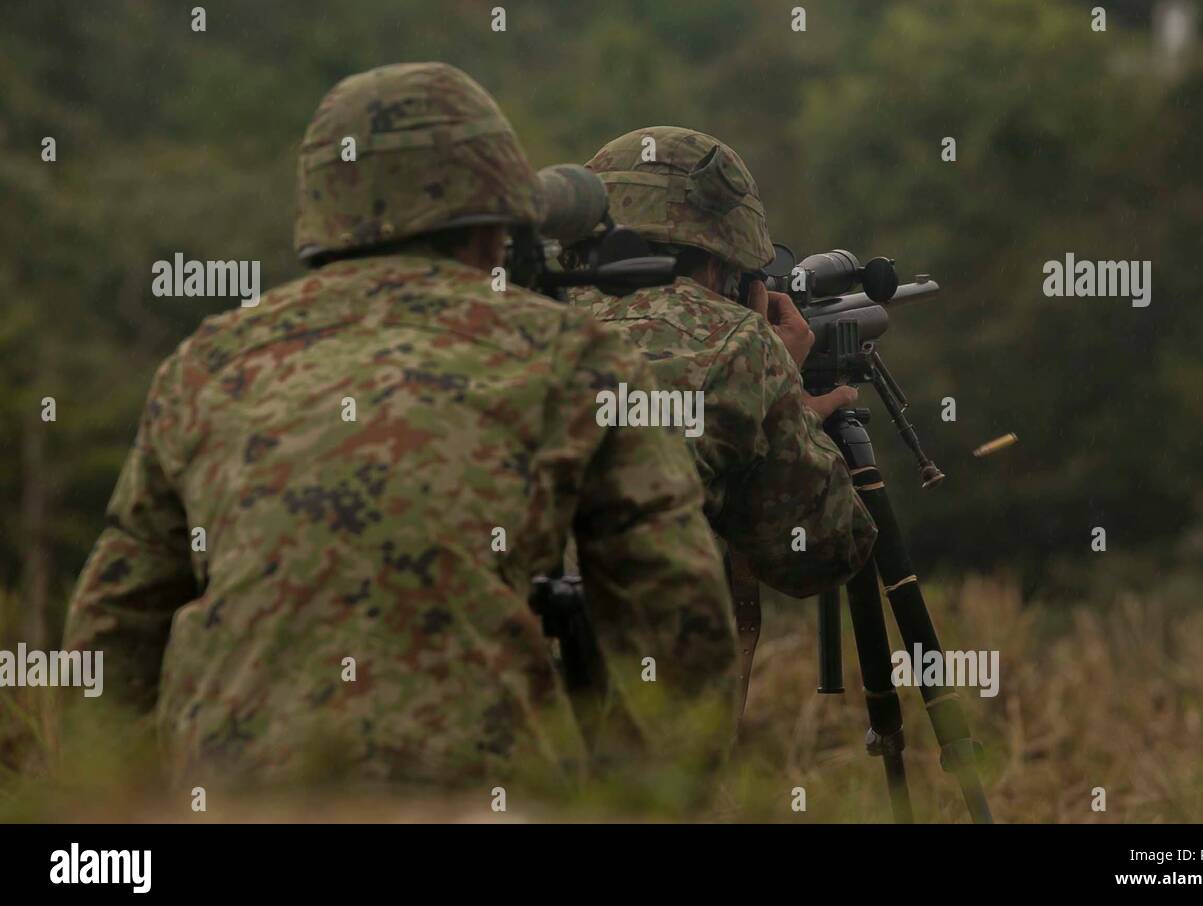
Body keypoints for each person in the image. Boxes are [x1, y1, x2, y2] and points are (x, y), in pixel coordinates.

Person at [63, 66, 737, 792]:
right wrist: (642, 800)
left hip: (237, 795)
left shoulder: (204, 363)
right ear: (499, 222)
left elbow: (112, 627)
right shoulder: (576, 356)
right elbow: (680, 614)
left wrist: (127, 818)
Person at [572, 127, 879, 702]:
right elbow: (822, 552)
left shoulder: (524, 313)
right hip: (632, 735)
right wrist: (781, 396)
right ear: (728, 266)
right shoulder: (736, 341)